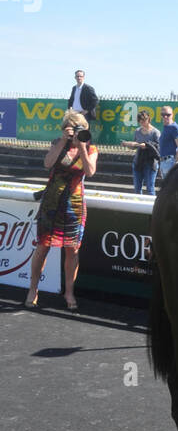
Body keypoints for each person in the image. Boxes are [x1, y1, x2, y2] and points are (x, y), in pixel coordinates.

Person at [24, 110, 98, 311]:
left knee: (72, 249)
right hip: (51, 203)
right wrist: (63, 142)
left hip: (74, 205)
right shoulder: (58, 143)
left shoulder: (90, 149)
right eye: (72, 128)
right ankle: (33, 289)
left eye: (79, 128)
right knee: (43, 246)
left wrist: (81, 147)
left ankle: (69, 292)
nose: (75, 132)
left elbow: (90, 171)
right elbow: (47, 164)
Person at [120, 108, 161, 195]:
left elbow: (158, 148)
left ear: (148, 119)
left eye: (144, 119)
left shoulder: (155, 132)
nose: (142, 122)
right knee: (137, 189)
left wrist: (147, 146)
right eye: (140, 120)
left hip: (150, 163)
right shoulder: (137, 131)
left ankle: (150, 207)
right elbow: (135, 145)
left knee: (150, 189)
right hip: (138, 161)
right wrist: (128, 144)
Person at [157, 107, 178, 179]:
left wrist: (177, 163)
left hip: (171, 162)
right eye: (163, 114)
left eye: (168, 115)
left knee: (171, 188)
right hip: (164, 162)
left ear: (172, 115)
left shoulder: (175, 128)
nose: (165, 116)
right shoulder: (166, 127)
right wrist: (161, 164)